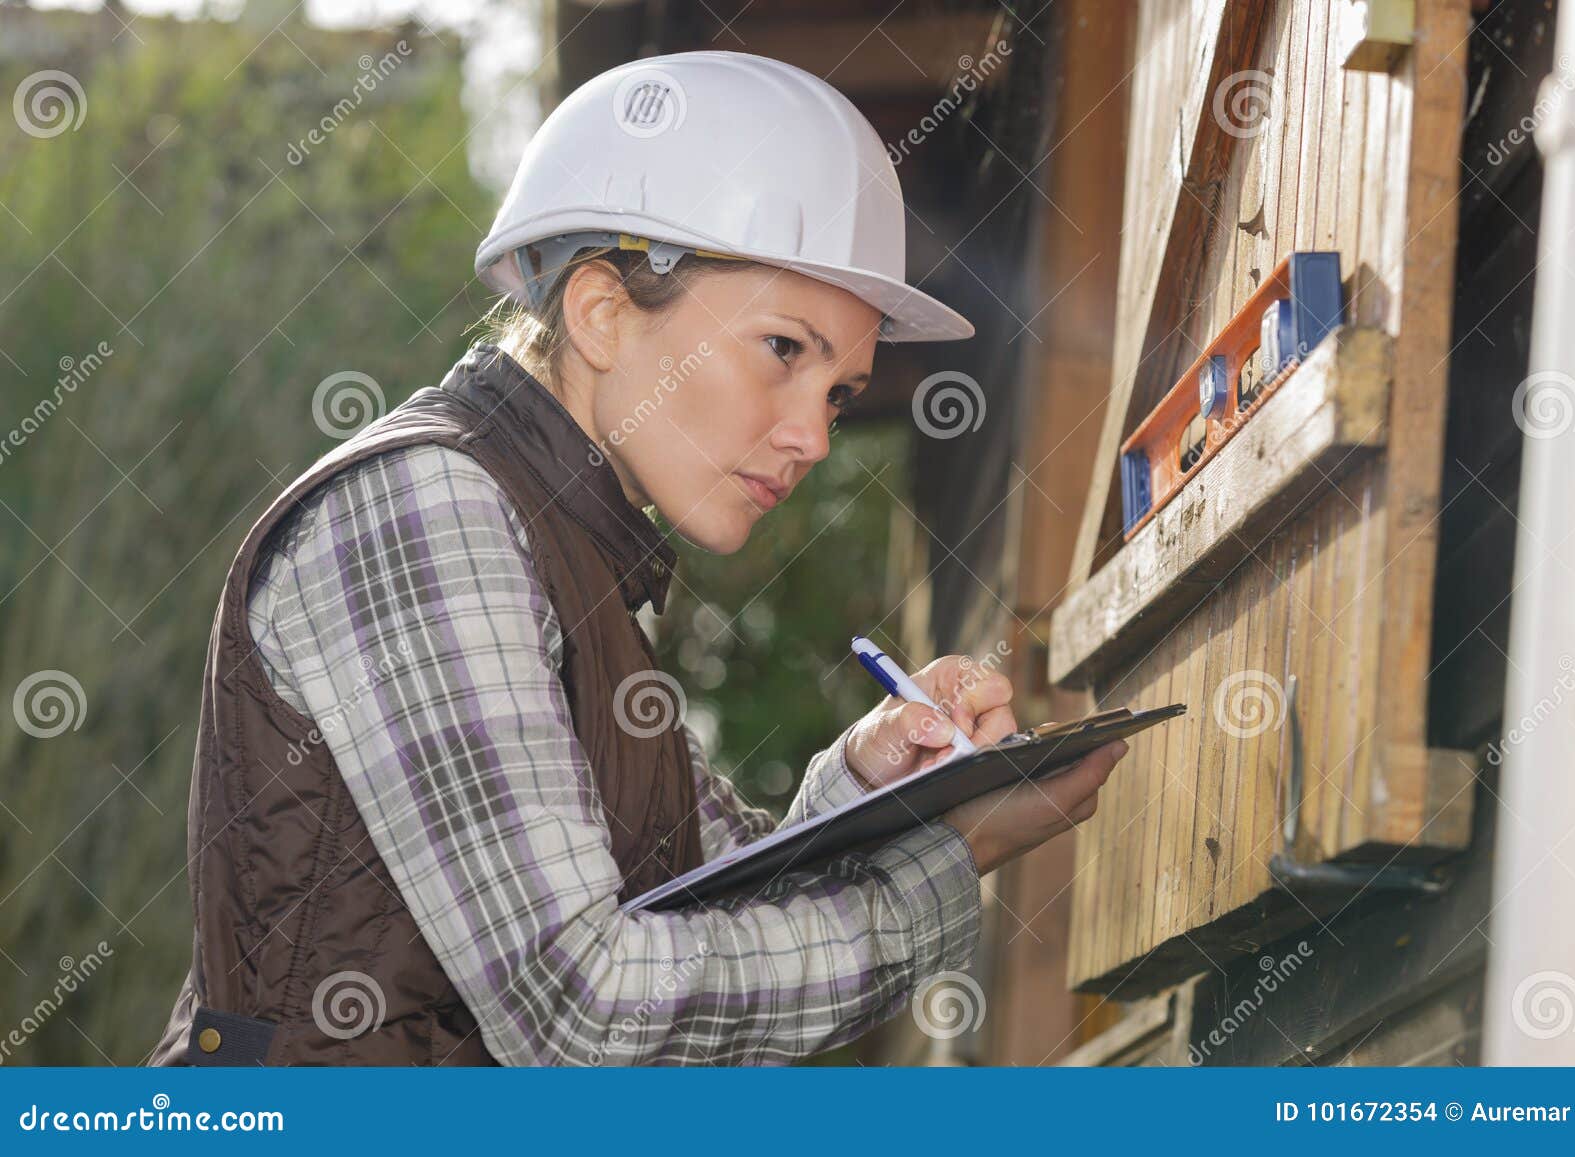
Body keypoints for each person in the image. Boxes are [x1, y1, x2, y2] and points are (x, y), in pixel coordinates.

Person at [149, 50, 1127, 1068]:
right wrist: (946, 861)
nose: (813, 436)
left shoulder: (580, 556)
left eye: (838, 390)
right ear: (602, 313)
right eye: (785, 350)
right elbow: (588, 1006)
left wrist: (874, 788)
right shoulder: (425, 510)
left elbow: (705, 903)